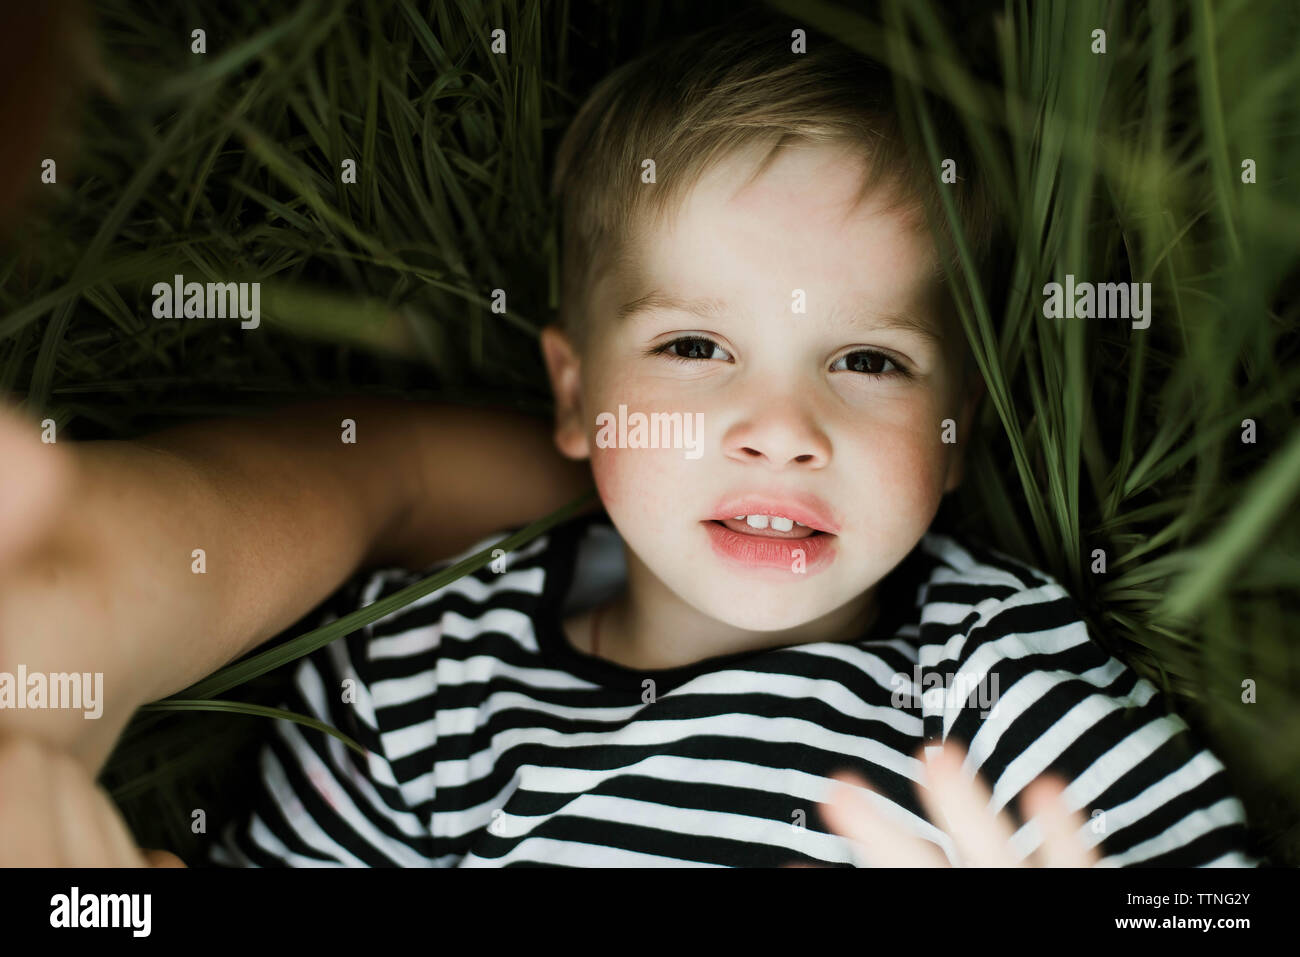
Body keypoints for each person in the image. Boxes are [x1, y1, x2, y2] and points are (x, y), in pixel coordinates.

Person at [0, 15, 1257, 868]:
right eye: (696, 349)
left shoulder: (985, 670)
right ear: (573, 395)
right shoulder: (425, 672)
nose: (782, 432)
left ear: (954, 430)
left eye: (868, 363)